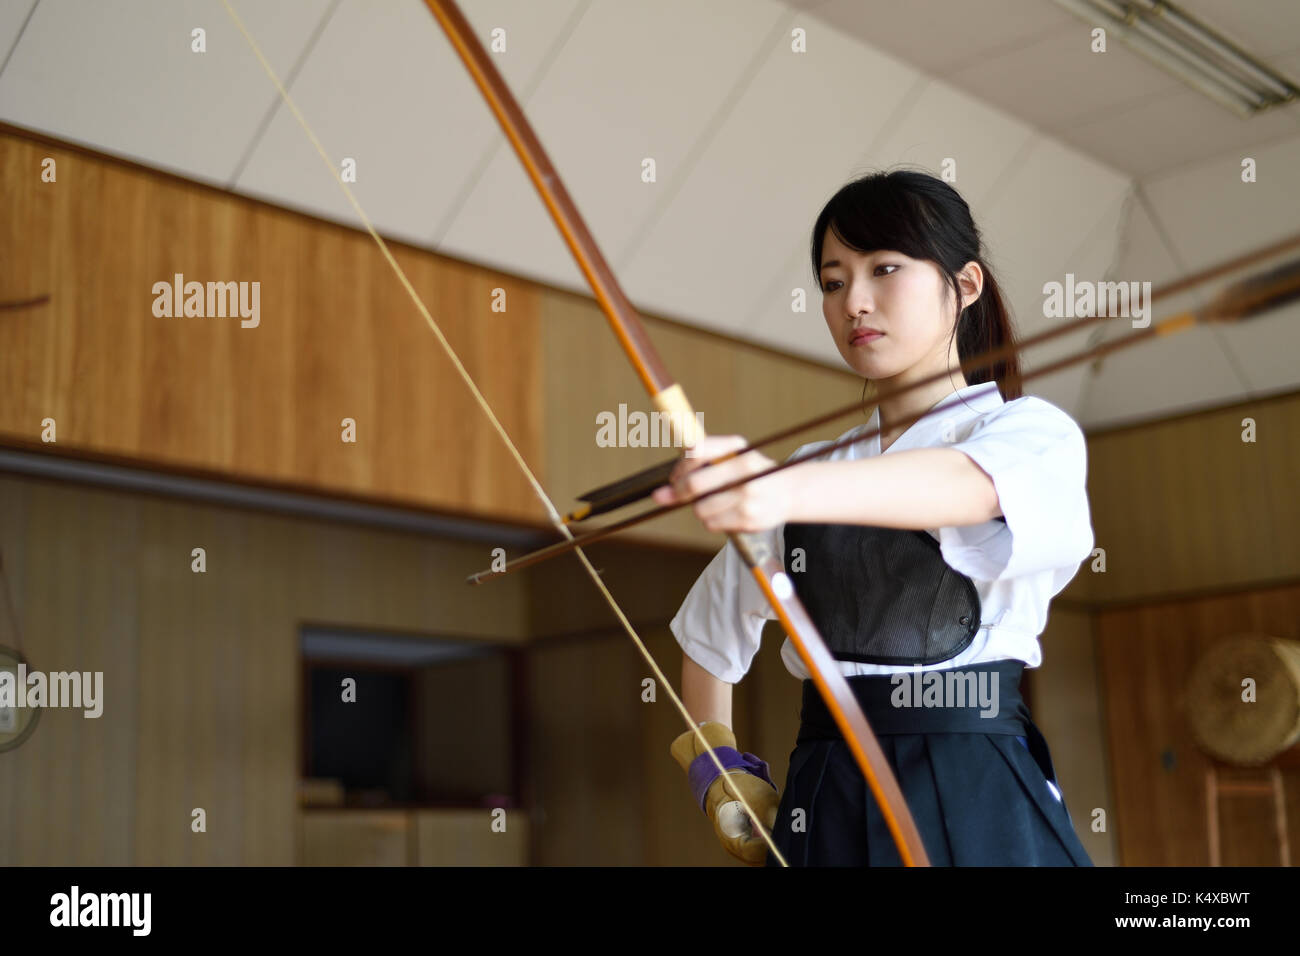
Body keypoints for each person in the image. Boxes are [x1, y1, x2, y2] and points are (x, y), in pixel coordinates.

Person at [656, 169, 1095, 867]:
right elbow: (709, 637)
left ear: (966, 285)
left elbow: (968, 488)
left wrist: (785, 490)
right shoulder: (808, 471)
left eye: (884, 269)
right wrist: (718, 772)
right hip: (822, 790)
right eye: (833, 282)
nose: (855, 301)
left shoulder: (1029, 433)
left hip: (971, 781)